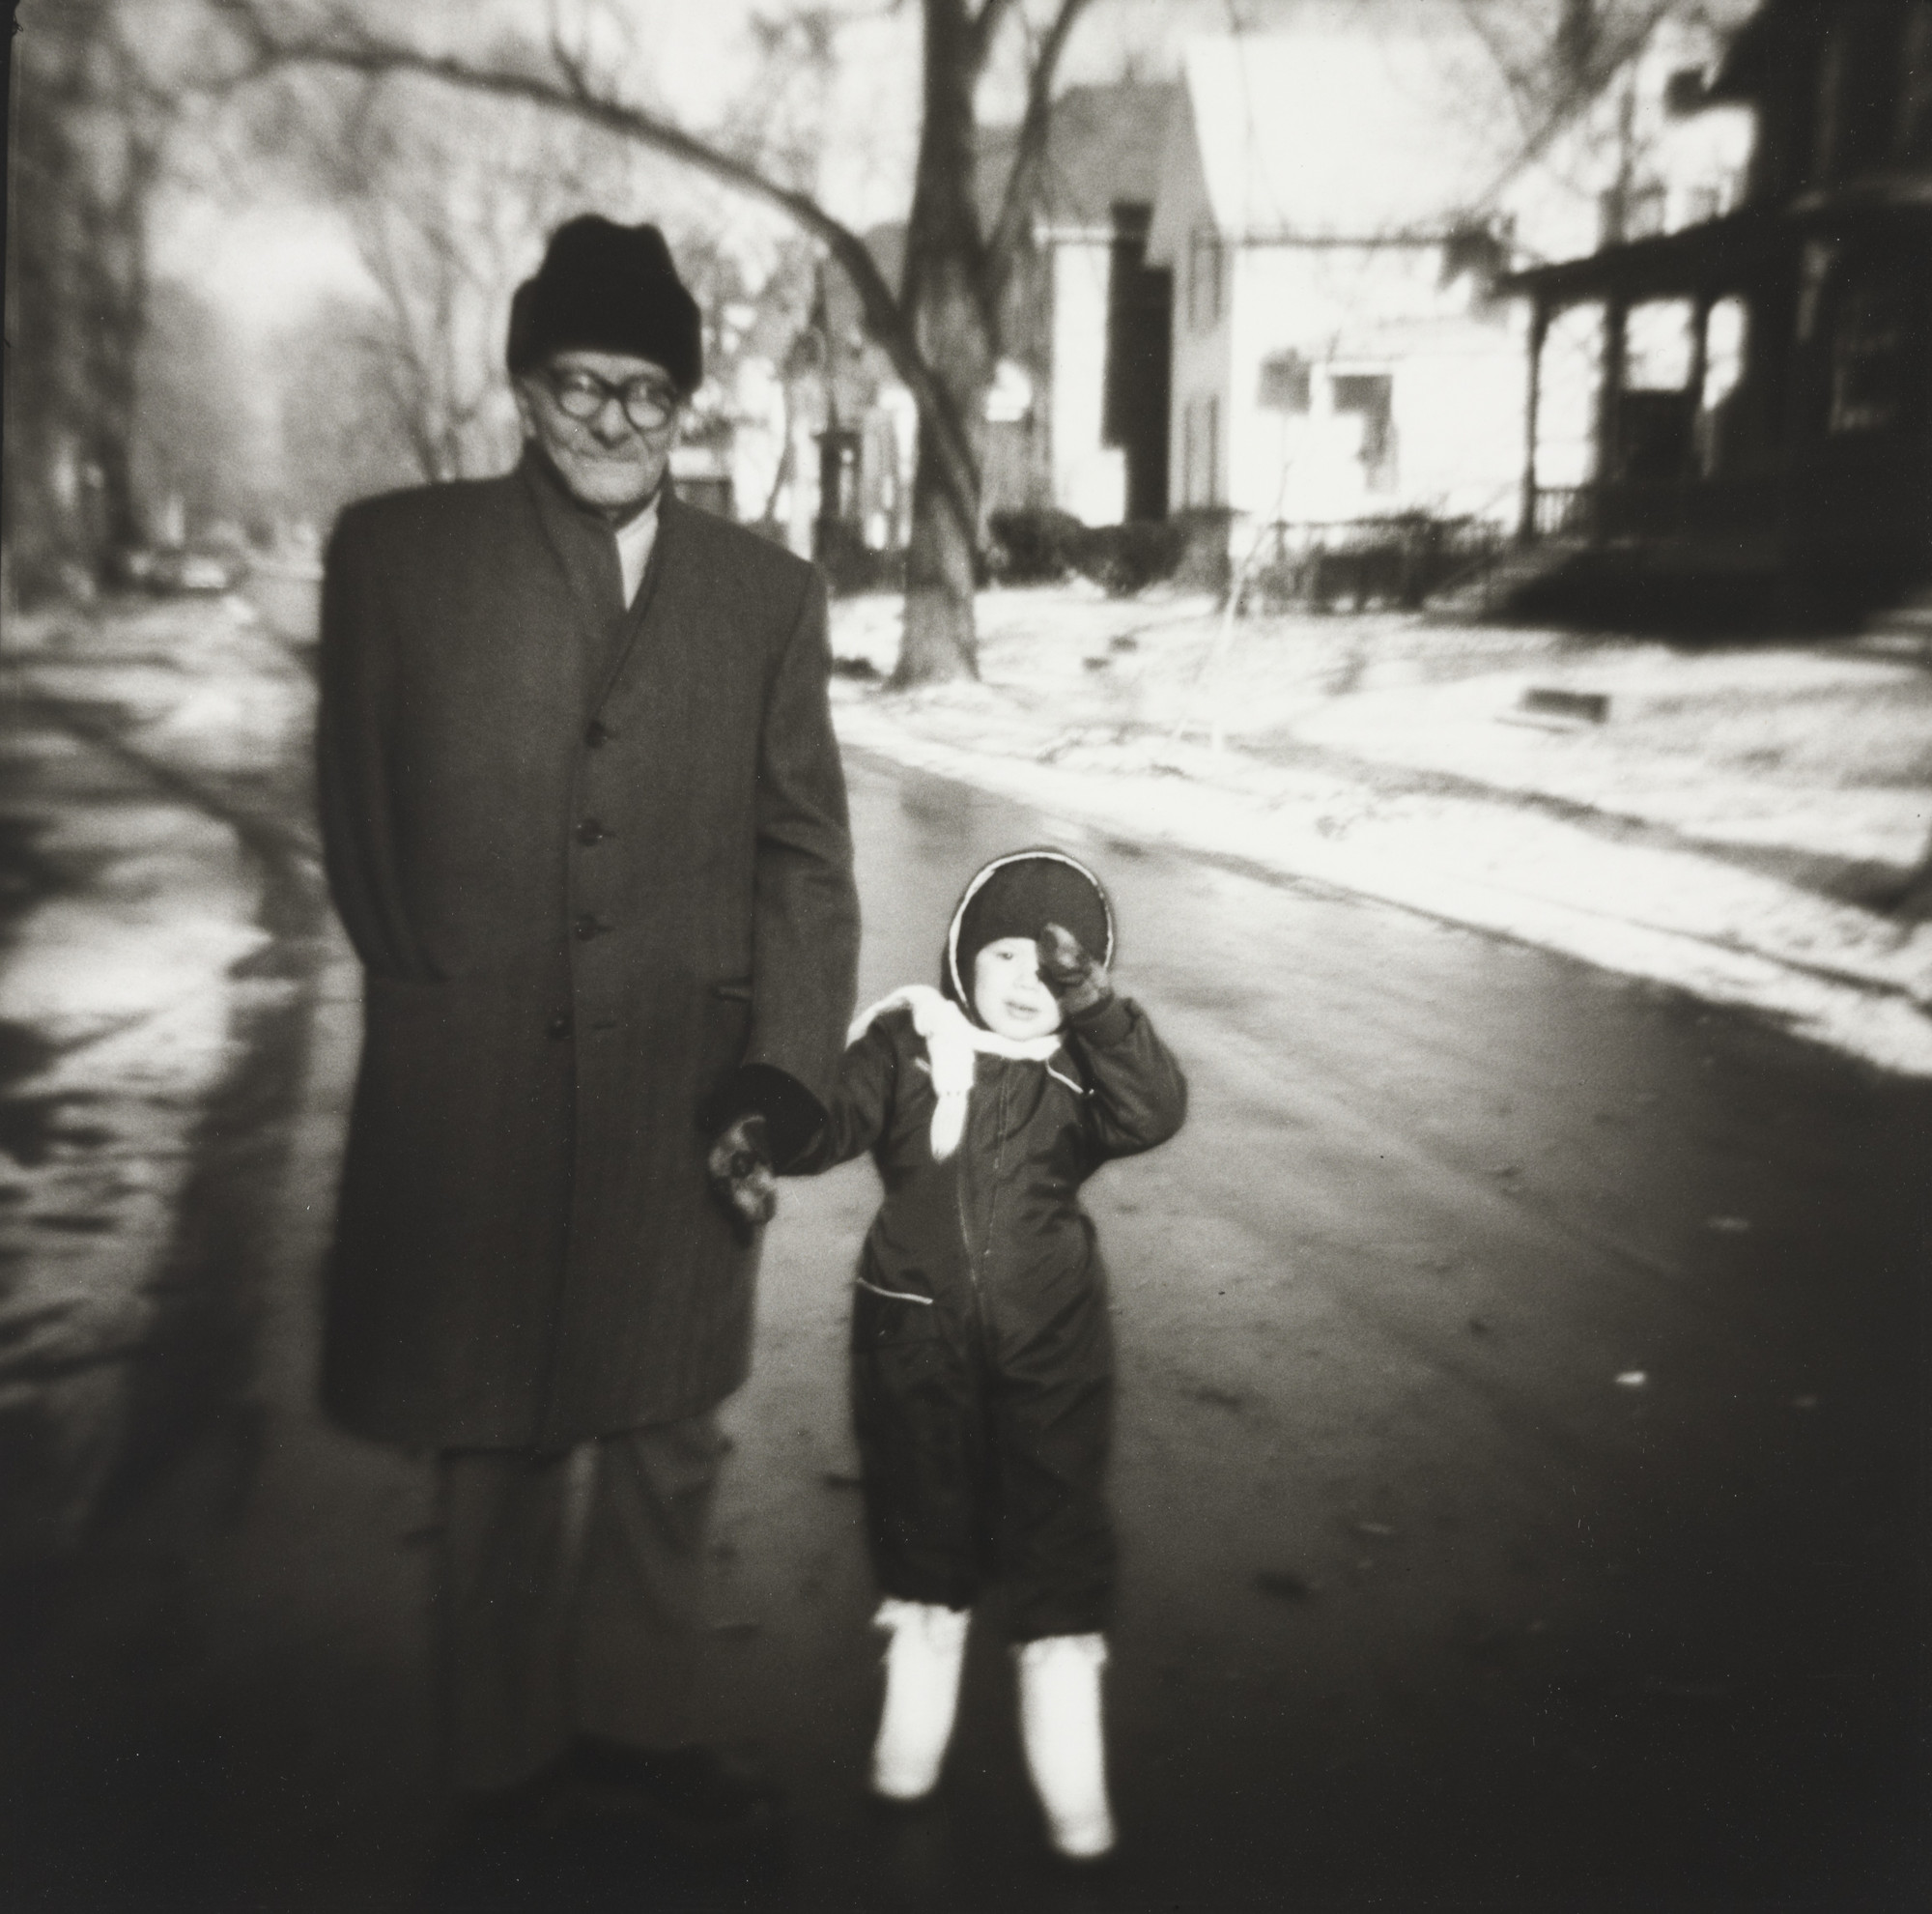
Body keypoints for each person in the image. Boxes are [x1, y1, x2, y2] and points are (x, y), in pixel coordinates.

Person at [316, 214, 859, 1844]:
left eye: (647, 390)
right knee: (492, 1434)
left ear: (684, 402)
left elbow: (803, 851)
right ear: (524, 388)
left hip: (684, 1091)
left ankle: (640, 1726)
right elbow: (359, 819)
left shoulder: (768, 597)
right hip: (473, 1075)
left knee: (666, 1425)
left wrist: (783, 1064)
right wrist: (438, 1001)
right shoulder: (399, 561)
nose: (615, 419)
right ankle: (500, 1760)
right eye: (579, 384)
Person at [716, 848, 1185, 1861]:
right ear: (962, 955)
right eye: (1004, 953)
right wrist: (762, 1129)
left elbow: (1154, 1111)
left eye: (1053, 967)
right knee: (920, 1510)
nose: (1025, 982)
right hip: (911, 1331)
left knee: (1055, 1520)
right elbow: (828, 1121)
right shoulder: (908, 1042)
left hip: (1052, 1334)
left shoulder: (1080, 1065)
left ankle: (1073, 1785)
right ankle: (909, 1746)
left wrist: (1098, 1013)